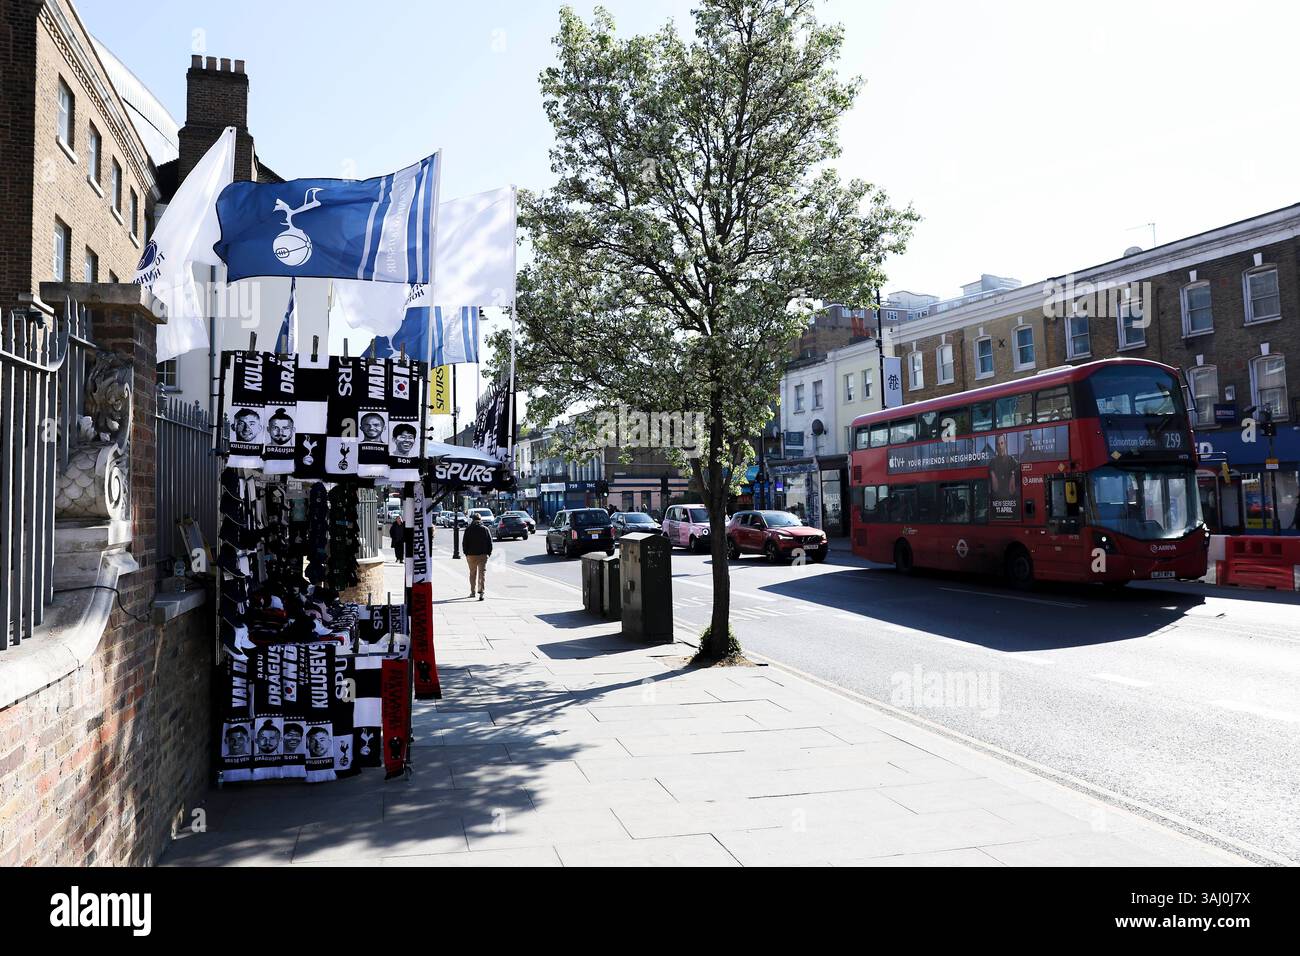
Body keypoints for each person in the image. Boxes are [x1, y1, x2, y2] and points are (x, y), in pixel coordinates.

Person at [462, 512, 493, 600]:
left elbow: (464, 543)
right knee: (481, 574)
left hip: (471, 555)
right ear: (480, 520)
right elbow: (490, 543)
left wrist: (466, 553)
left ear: (473, 520)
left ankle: (472, 592)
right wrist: (488, 554)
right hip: (483, 555)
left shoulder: (468, 529)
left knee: (472, 573)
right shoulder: (485, 529)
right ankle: (481, 592)